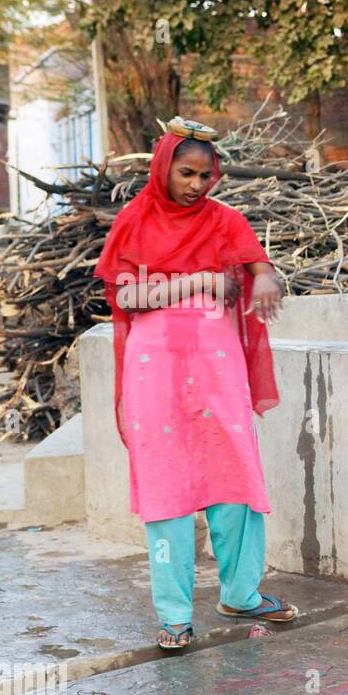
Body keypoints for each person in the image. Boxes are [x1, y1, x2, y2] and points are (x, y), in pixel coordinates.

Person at [93, 117, 298, 650]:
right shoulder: (135, 222)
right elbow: (127, 297)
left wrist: (265, 277)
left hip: (216, 364)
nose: (197, 185)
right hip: (154, 369)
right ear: (164, 168)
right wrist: (201, 281)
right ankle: (175, 613)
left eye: (206, 175)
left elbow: (260, 269)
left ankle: (241, 594)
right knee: (165, 485)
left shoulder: (225, 220)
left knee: (234, 472)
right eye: (187, 173)